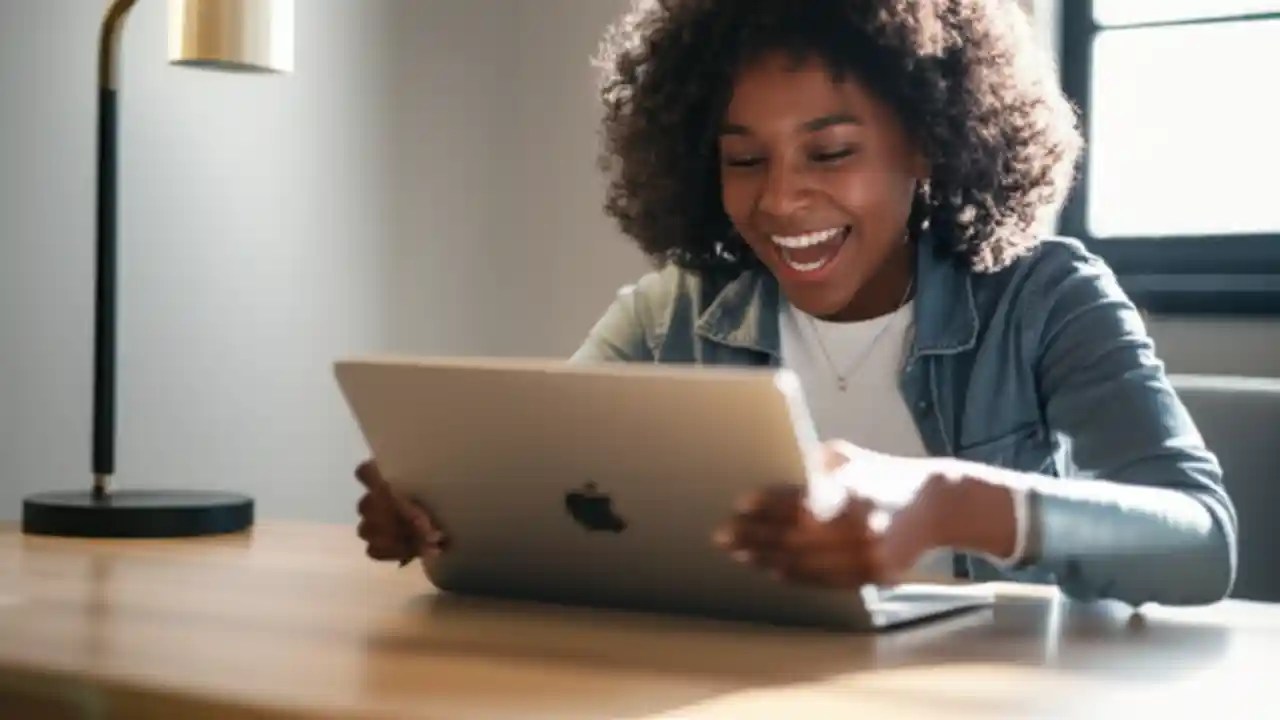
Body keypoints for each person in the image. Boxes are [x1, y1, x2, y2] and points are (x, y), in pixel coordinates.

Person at [355, 0, 1237, 607]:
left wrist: (949, 501)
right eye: (744, 159)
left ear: (928, 143)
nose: (779, 202)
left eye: (830, 152)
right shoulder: (671, 315)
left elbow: (1202, 547)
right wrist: (446, 519)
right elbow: (549, 517)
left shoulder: (1047, 297)